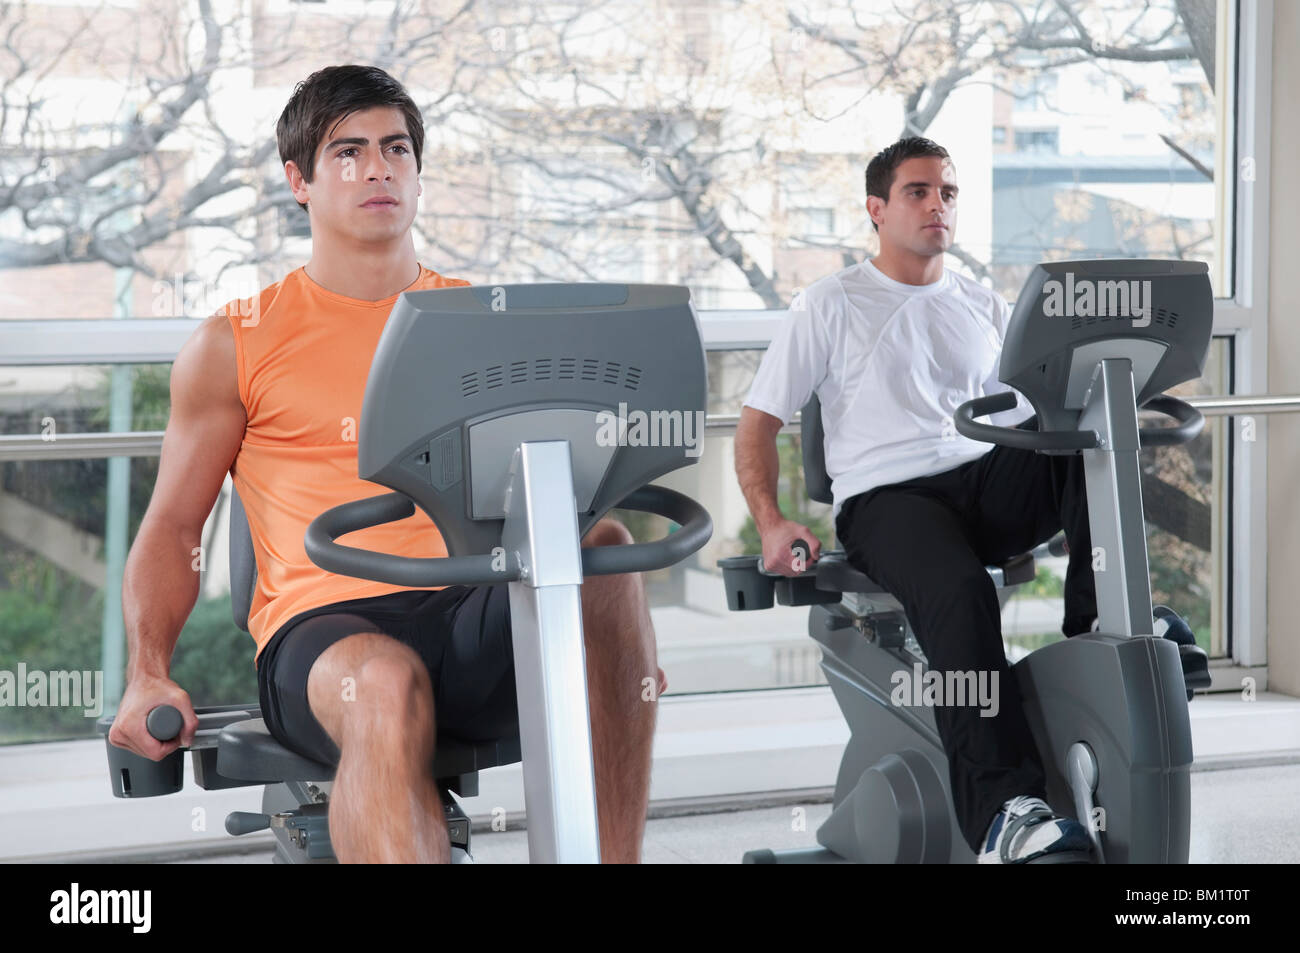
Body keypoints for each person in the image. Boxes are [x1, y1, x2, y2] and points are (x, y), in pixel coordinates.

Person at [108, 64, 666, 864]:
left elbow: (550, 485)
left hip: (473, 610)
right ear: (299, 181)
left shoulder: (482, 324)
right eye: (348, 152)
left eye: (397, 149)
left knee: (605, 548)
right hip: (325, 634)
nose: (378, 169)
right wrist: (147, 670)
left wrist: (622, 643)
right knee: (383, 683)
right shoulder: (237, 341)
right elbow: (171, 524)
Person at [735, 135, 1192, 864]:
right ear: (876, 210)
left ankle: (1099, 628)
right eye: (918, 191)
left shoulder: (983, 301)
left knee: (1083, 431)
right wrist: (771, 518)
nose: (937, 205)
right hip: (888, 499)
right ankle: (1002, 814)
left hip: (982, 479)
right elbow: (757, 424)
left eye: (947, 192)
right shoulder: (829, 303)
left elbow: (1037, 409)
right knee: (957, 588)